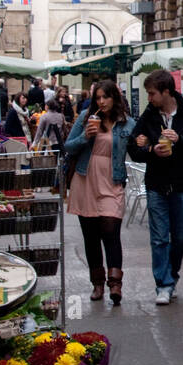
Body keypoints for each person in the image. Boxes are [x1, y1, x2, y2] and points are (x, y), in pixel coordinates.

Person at [128, 69, 183, 305]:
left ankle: (171, 277)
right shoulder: (149, 116)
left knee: (181, 236)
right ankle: (163, 285)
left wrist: (179, 140)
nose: (149, 97)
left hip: (182, 185)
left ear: (166, 92)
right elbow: (134, 148)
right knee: (159, 238)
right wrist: (151, 149)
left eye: (152, 93)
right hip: (156, 184)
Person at [64, 79, 137, 305]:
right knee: (91, 234)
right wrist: (86, 135)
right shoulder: (87, 117)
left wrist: (145, 144)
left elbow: (137, 150)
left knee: (111, 228)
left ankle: (115, 284)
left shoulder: (127, 123)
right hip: (85, 178)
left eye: (105, 97)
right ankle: (97, 284)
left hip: (112, 179)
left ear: (114, 98)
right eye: (98, 98)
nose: (101, 101)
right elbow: (68, 146)